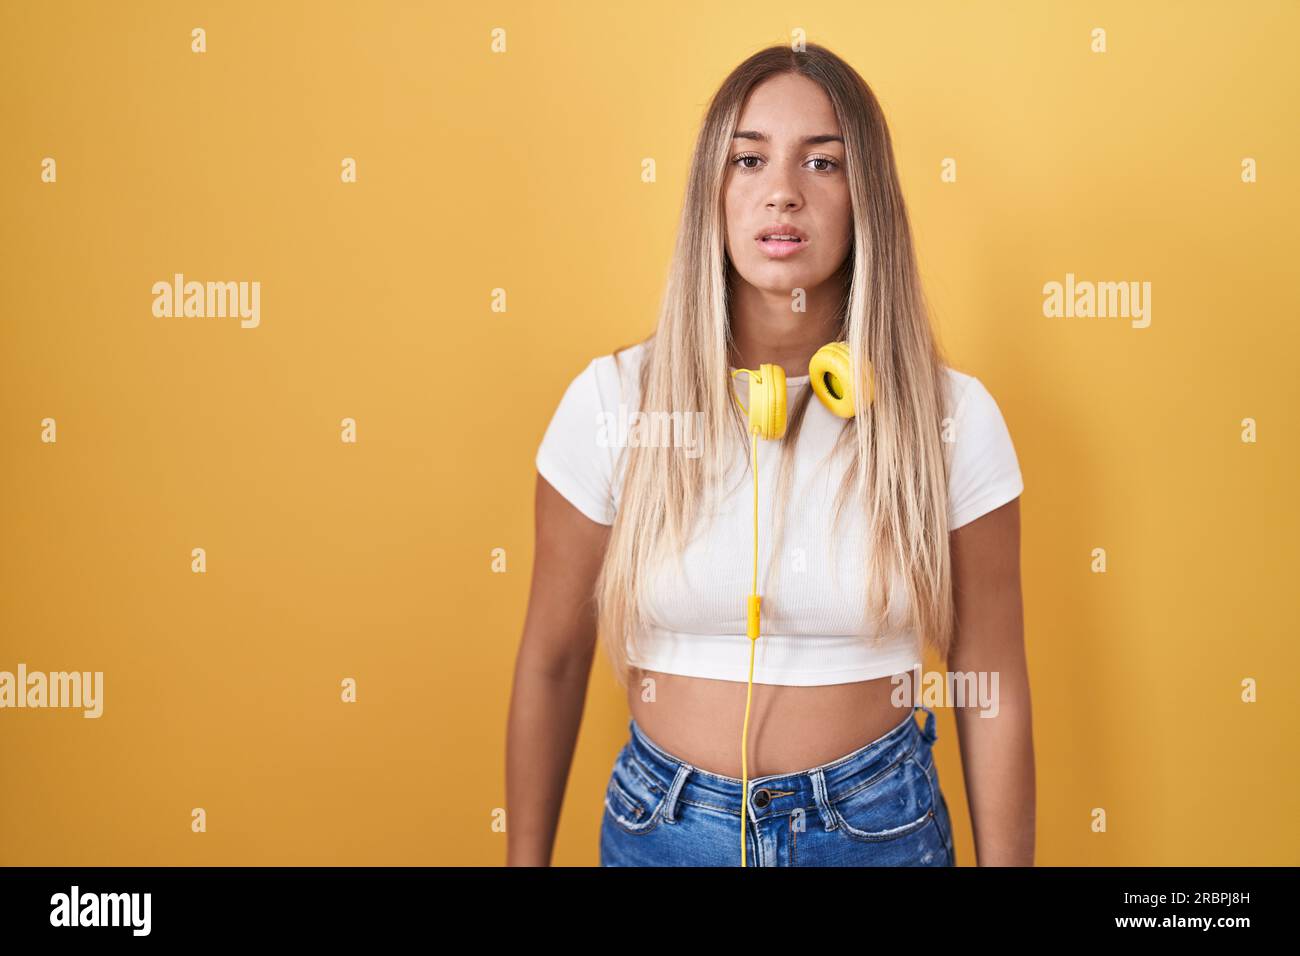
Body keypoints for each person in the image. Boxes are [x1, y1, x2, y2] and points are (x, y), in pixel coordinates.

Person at [506, 42, 1033, 867]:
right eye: (747, 158)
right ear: (710, 194)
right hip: (663, 832)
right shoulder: (615, 404)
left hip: (878, 829)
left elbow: (991, 685)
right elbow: (551, 660)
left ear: (868, 202)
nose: (781, 191)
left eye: (823, 163)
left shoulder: (952, 420)